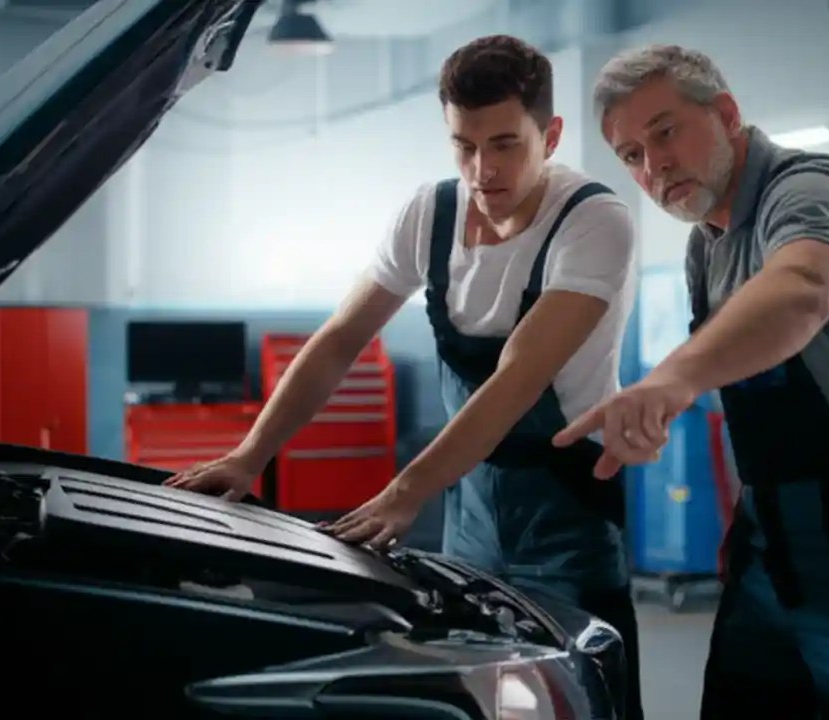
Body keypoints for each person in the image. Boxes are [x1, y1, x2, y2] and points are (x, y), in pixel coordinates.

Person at [166, 34, 644, 720]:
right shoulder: (431, 214)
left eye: (506, 144)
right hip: (469, 514)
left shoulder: (594, 221)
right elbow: (339, 341)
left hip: (566, 520)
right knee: (483, 703)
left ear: (552, 134)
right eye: (464, 145)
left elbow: (515, 382)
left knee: (584, 701)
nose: (482, 170)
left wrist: (404, 490)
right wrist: (252, 454)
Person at [554, 44, 829, 719]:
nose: (653, 164)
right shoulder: (708, 244)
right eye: (631, 154)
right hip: (771, 537)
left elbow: (803, 288)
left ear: (724, 113)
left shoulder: (815, 191)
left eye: (665, 132)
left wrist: (671, 379)